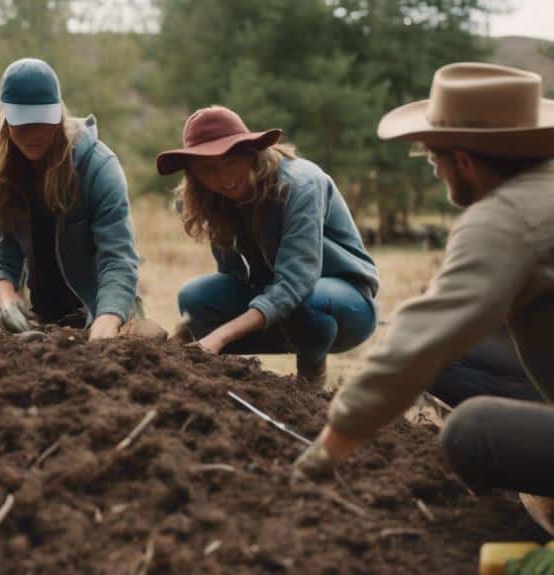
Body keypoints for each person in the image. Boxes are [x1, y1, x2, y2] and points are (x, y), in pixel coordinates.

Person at [293, 62, 554, 534]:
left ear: (464, 161)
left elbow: (420, 341)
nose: (435, 171)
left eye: (434, 159)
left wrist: (329, 447)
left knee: (473, 433)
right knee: (461, 354)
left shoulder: (507, 216)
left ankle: (529, 538)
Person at [157, 106, 379, 386]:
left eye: (230, 161)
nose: (223, 178)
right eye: (207, 169)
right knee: (194, 298)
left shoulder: (300, 184)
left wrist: (220, 336)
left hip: (345, 306)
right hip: (282, 302)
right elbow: (233, 276)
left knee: (303, 300)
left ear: (251, 152)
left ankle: (310, 381)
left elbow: (295, 283)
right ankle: (228, 379)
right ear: (193, 174)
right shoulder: (213, 199)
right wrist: (187, 334)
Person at [0, 57, 144, 340]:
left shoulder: (98, 167)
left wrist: (107, 320)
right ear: (5, 119)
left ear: (59, 114)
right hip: (41, 316)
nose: (33, 134)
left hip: (102, 310)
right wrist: (7, 302)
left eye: (43, 121)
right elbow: (0, 257)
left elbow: (118, 258)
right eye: (22, 123)